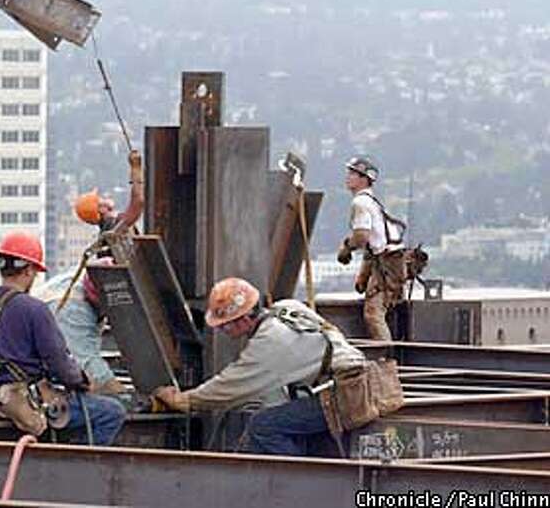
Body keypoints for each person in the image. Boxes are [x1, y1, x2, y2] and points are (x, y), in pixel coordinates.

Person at [152, 277, 368, 456]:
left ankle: (297, 482)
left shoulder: (270, 343)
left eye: (225, 325)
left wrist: (184, 400)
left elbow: (229, 386)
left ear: (245, 320)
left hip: (347, 396)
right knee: (278, 412)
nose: (222, 331)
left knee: (263, 425)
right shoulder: (287, 307)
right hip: (354, 382)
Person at [0, 230, 125, 445]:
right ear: (28, 270)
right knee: (111, 412)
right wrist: (83, 382)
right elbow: (59, 363)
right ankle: (81, 468)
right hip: (28, 403)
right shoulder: (34, 309)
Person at [33, 258, 127, 401]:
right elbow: (89, 365)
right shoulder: (73, 309)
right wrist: (123, 395)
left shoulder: (83, 278)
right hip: (36, 378)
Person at [337, 156, 407, 341]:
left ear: (364, 179)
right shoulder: (371, 201)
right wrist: (363, 276)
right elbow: (372, 248)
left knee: (373, 313)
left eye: (353, 173)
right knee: (379, 310)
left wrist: (346, 248)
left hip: (388, 264)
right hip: (389, 261)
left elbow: (361, 237)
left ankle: (387, 358)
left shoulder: (360, 203)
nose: (348, 177)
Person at [73, 150, 144, 234]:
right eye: (100, 199)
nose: (105, 198)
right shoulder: (114, 225)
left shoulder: (108, 228)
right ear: (101, 209)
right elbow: (137, 204)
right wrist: (136, 169)